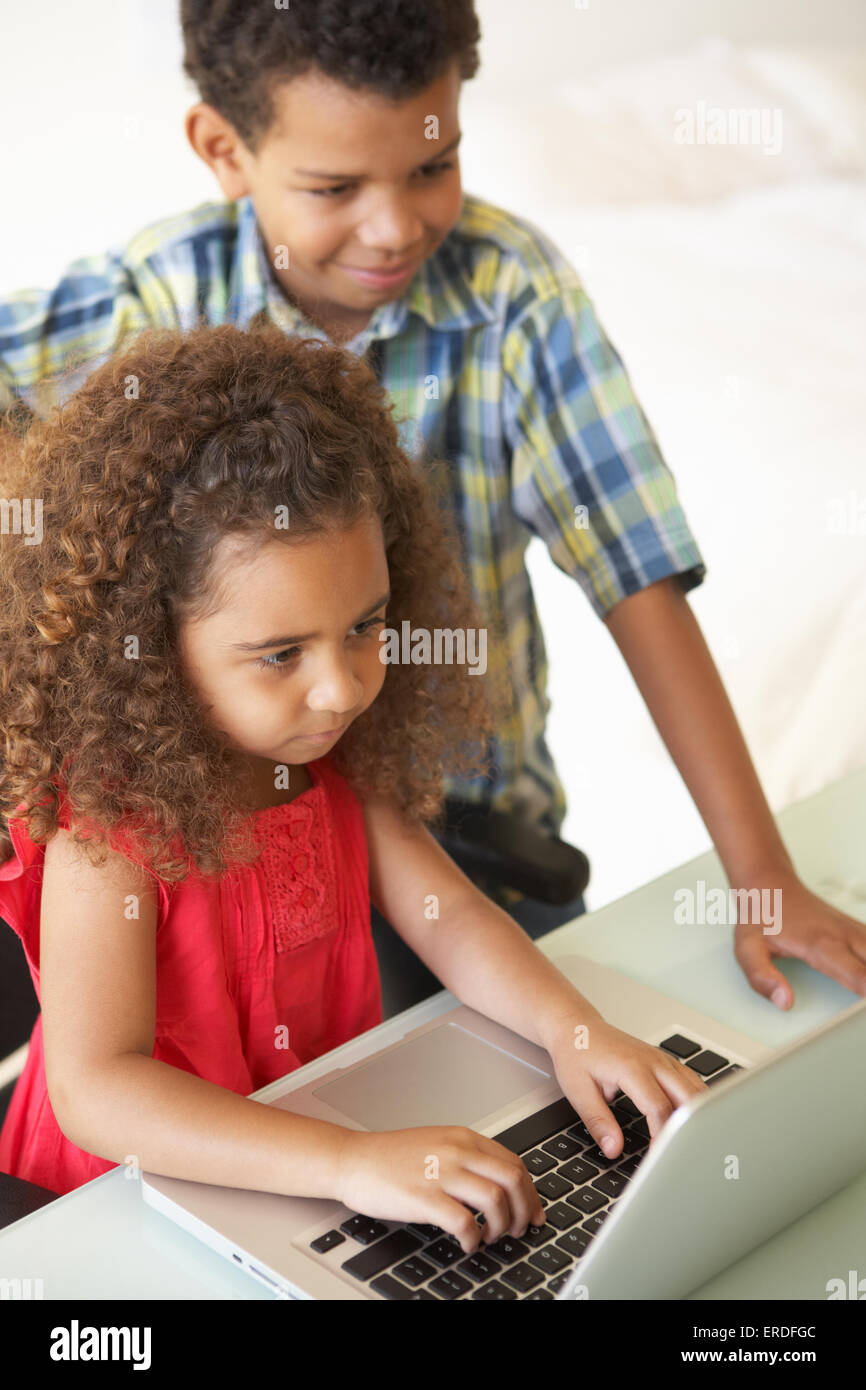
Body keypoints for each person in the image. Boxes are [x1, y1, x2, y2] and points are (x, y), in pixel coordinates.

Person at [1, 0, 864, 1011]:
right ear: (224, 148)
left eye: (431, 164)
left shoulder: (511, 293)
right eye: (333, 186)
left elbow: (635, 573)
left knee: (535, 1085)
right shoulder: (155, 295)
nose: (395, 225)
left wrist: (758, 876)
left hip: (466, 841)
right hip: (215, 849)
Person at [0, 323, 709, 1248]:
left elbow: (447, 917)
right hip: (131, 1207)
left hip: (321, 1165)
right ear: (148, 648)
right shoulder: (109, 827)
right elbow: (99, 1090)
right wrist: (345, 1161)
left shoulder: (328, 753)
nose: (341, 687)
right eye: (281, 653)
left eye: (365, 626)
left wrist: (577, 1029)